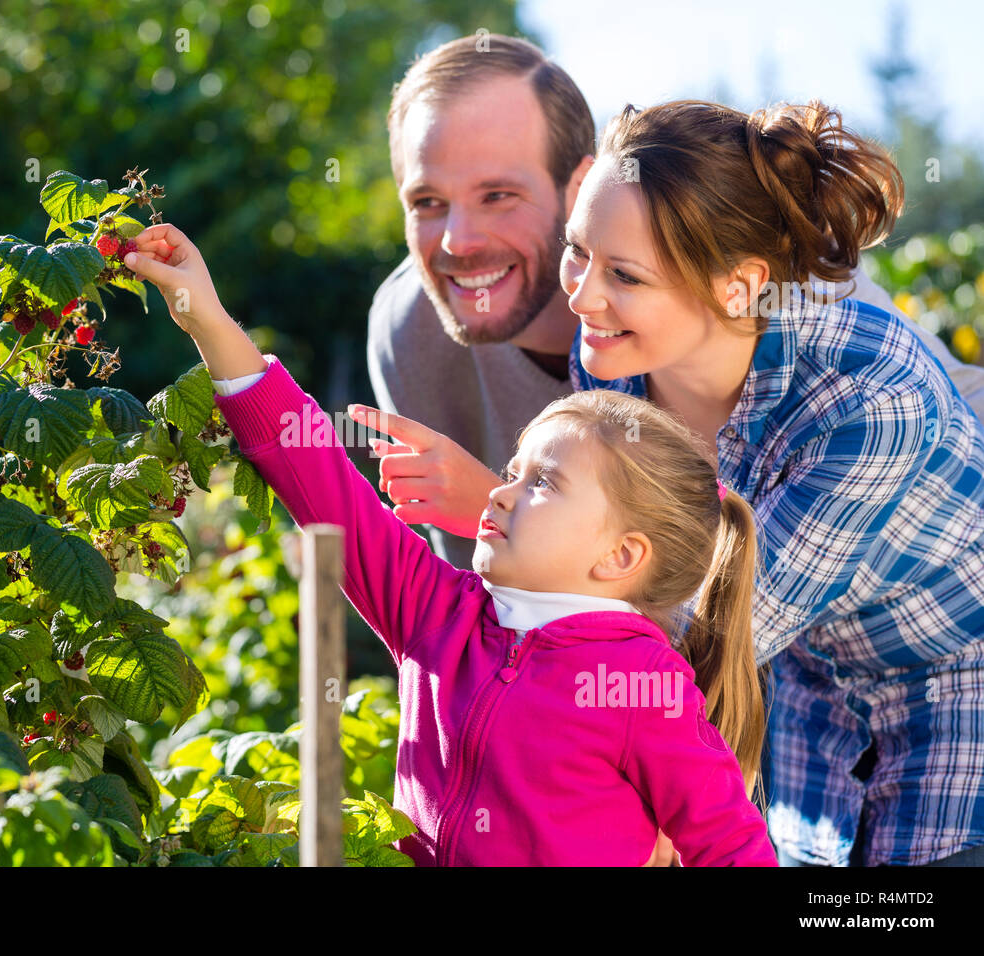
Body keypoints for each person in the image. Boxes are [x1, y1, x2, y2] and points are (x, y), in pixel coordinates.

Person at [373, 97, 984, 868]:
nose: (583, 297)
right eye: (577, 252)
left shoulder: (869, 400)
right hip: (806, 707)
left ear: (739, 285)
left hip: (953, 698)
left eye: (624, 274)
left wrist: (494, 507)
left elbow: (708, 626)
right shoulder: (614, 357)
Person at [119, 223, 778, 866]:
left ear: (620, 556)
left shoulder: (639, 683)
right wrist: (204, 315)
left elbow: (731, 845)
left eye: (542, 483)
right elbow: (318, 477)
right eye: (514, 471)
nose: (500, 492)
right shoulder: (435, 611)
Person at [365, 33, 984, 573]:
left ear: (580, 186)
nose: (457, 241)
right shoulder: (415, 330)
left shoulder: (802, 300)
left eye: (497, 194)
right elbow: (482, 594)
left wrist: (498, 506)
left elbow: (721, 620)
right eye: (425, 201)